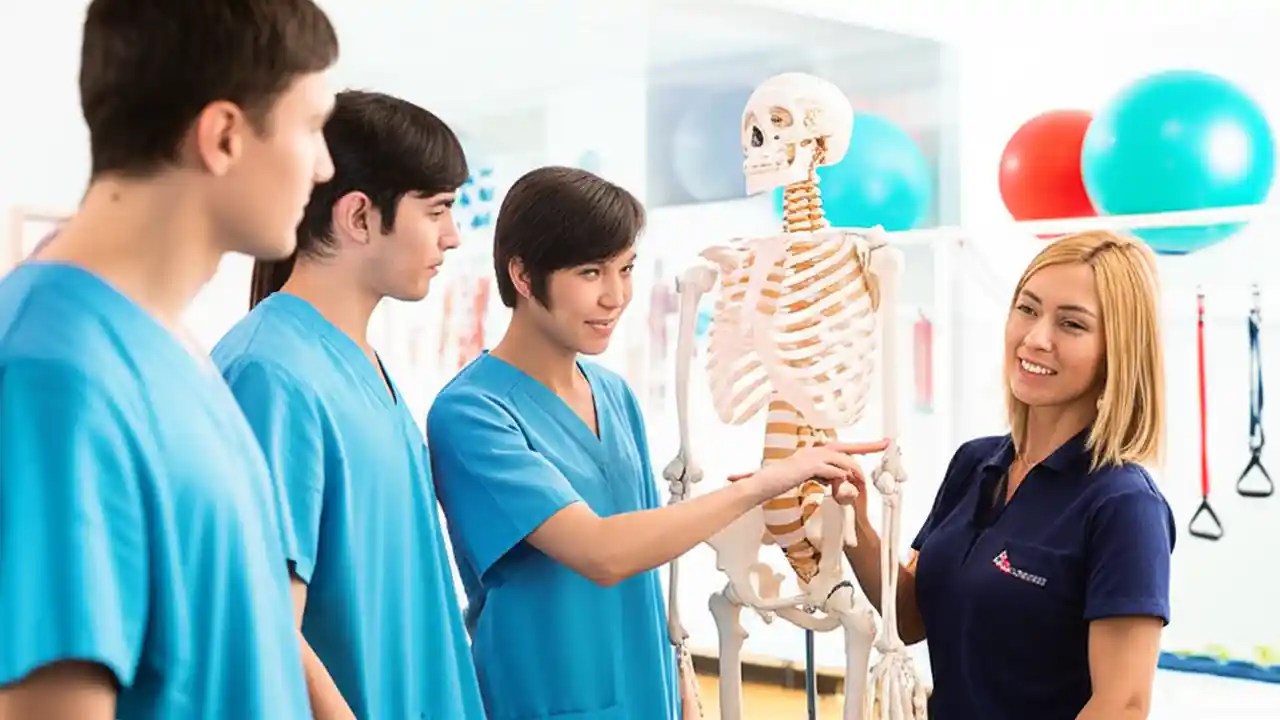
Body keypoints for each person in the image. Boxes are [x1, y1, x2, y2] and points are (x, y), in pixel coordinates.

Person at [426, 165, 888, 720]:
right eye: (591, 273)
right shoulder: (472, 414)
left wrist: (681, 687)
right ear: (523, 275)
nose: (615, 296)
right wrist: (763, 485)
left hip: (648, 694)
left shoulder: (613, 394)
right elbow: (603, 552)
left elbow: (648, 557)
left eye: (625, 269)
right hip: (542, 701)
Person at [0, 1, 338, 719]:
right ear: (223, 136)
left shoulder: (166, 348)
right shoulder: (54, 375)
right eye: (312, 126)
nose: (325, 165)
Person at [210, 90, 484, 719]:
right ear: (359, 216)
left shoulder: (357, 362)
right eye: (438, 210)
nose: (452, 237)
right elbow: (268, 624)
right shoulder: (269, 373)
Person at [840, 230, 1175, 719]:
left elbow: (1121, 704)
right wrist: (853, 523)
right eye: (1027, 309)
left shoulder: (1124, 505)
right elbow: (911, 616)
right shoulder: (974, 464)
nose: (1036, 338)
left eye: (1072, 324)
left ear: (1117, 350)